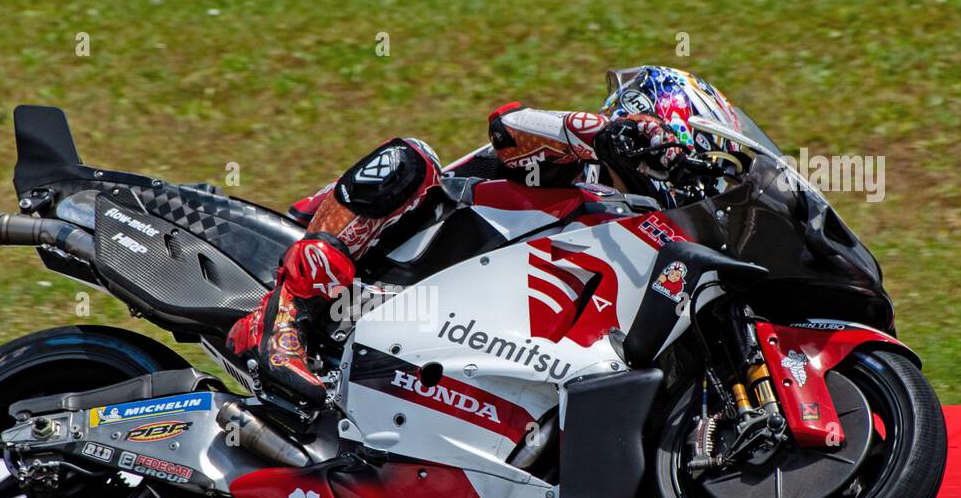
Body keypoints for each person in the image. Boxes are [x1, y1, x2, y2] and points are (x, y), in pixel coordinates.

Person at [226, 65, 745, 409]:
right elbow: (508, 125)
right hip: (361, 254)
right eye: (695, 146)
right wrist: (605, 132)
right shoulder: (580, 168)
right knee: (412, 157)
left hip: (436, 337)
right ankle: (286, 314)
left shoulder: (641, 229)